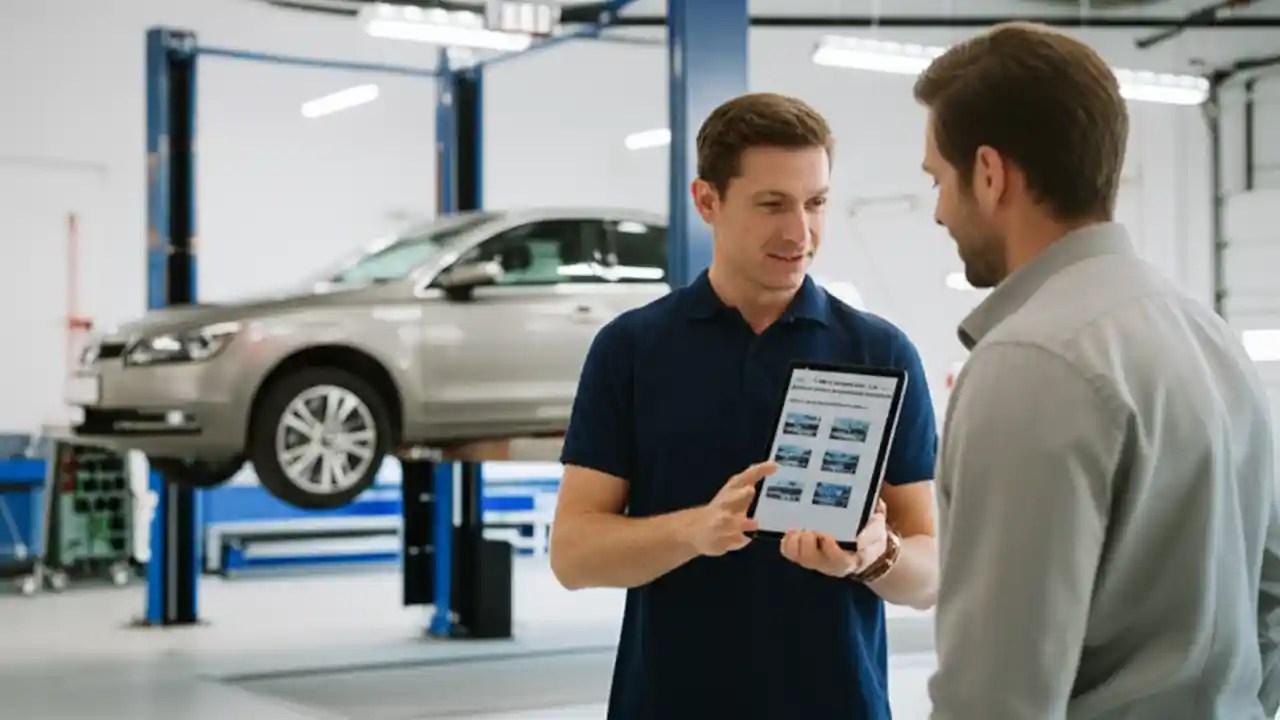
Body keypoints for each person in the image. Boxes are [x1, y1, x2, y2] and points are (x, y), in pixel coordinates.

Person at [913, 22, 1280, 719]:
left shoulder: (1031, 362)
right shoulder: (1206, 334)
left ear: (990, 175)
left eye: (939, 178)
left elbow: (996, 695)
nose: (938, 210)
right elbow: (1271, 602)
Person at [548, 91, 941, 720]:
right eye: (772, 205)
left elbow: (929, 573)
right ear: (708, 201)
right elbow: (572, 554)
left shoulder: (879, 351)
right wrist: (696, 530)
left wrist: (874, 554)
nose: (800, 231)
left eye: (815, 203)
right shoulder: (632, 349)